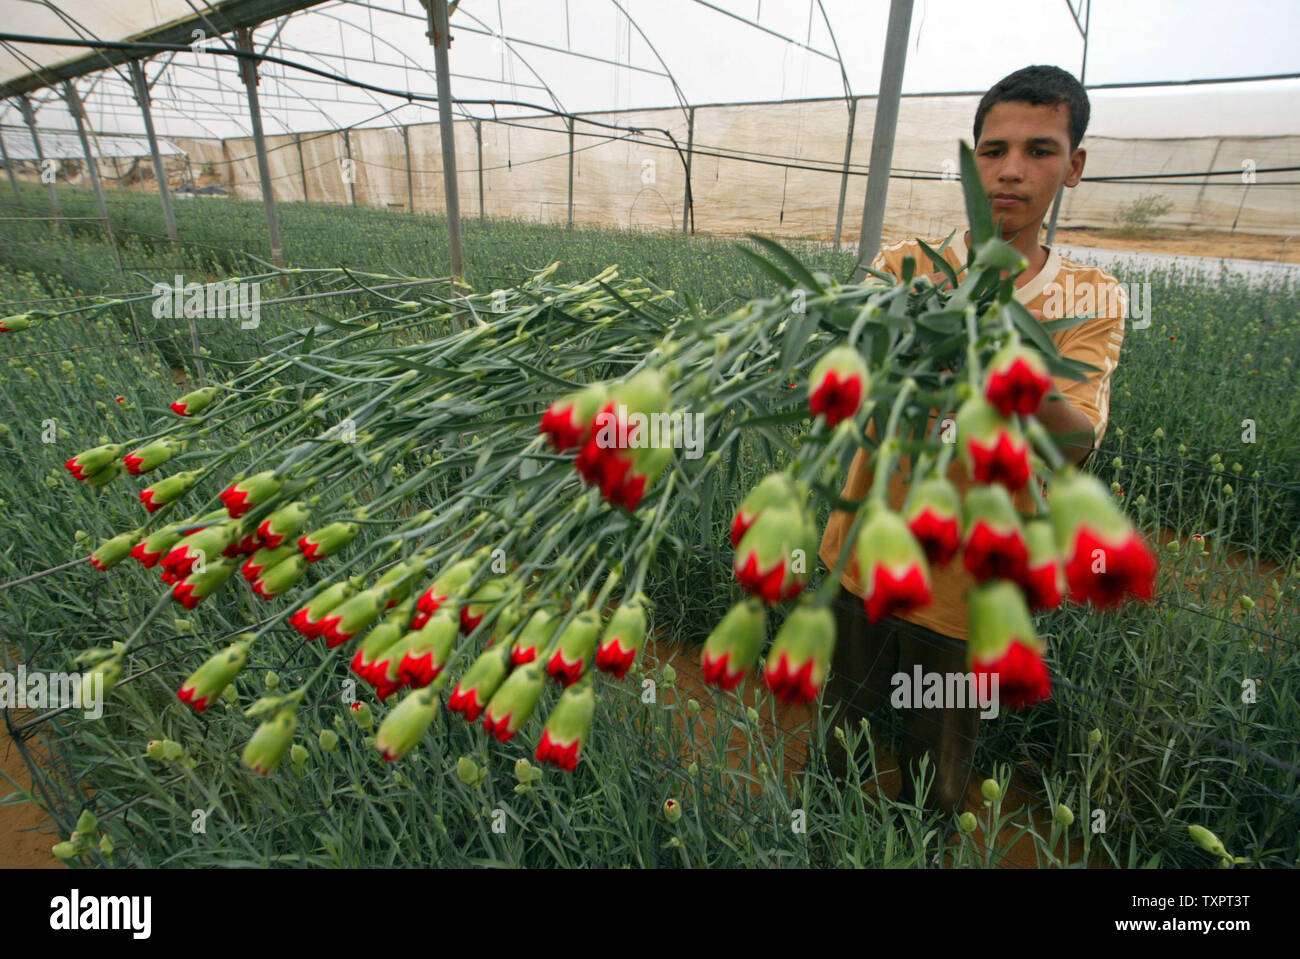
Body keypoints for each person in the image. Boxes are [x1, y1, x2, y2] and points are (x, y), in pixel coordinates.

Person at [817, 64, 1130, 823]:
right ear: (972, 160)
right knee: (836, 747)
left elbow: (1075, 438)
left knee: (936, 778)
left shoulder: (1089, 296)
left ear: (1075, 165)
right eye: (993, 151)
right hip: (860, 558)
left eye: (1040, 150)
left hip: (966, 590)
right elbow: (845, 384)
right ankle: (818, 842)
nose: (1012, 170)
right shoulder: (906, 265)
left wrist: (995, 346)